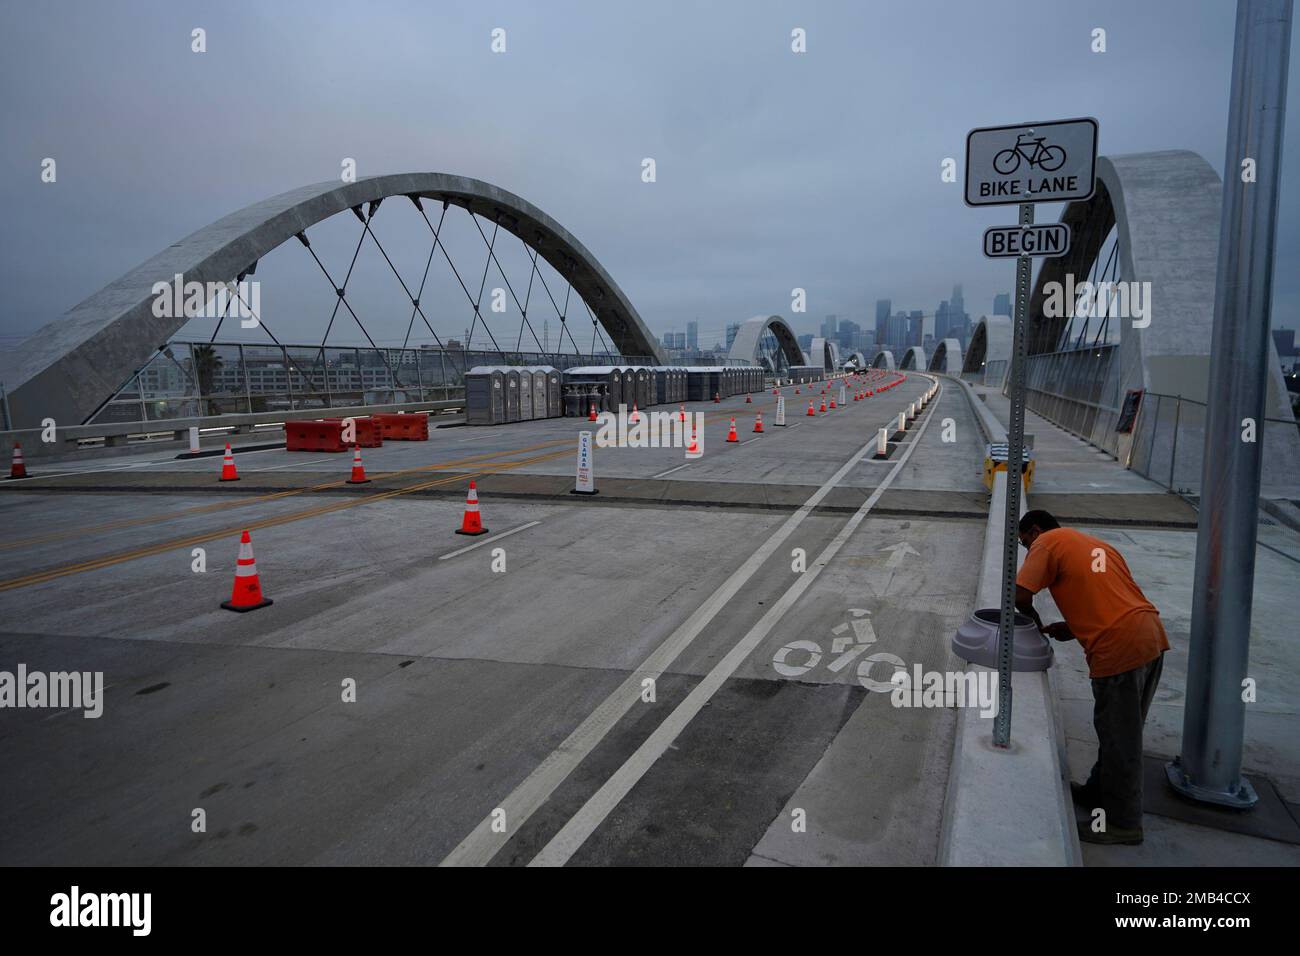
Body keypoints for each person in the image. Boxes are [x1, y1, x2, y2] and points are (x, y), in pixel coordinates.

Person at [1014, 510, 1169, 846]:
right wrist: (1072, 628)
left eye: (1024, 543)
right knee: (1118, 731)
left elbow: (1020, 595)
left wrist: (1033, 621)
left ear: (1035, 531)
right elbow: (1110, 597)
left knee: (1121, 740)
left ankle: (1122, 824)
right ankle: (1097, 792)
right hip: (1149, 635)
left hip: (1120, 649)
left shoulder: (1047, 542)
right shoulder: (1093, 544)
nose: (1027, 550)